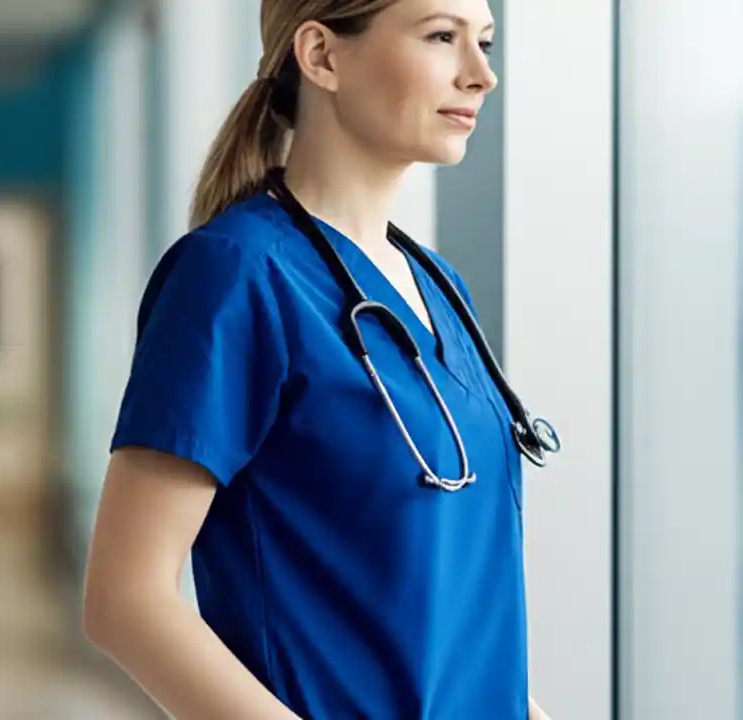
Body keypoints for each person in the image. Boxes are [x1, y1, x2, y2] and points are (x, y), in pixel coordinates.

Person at [81, 1, 552, 717]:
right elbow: (125, 598)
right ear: (322, 55)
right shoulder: (235, 275)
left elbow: (455, 623)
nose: (482, 75)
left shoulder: (439, 288)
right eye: (440, 37)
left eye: (484, 42)